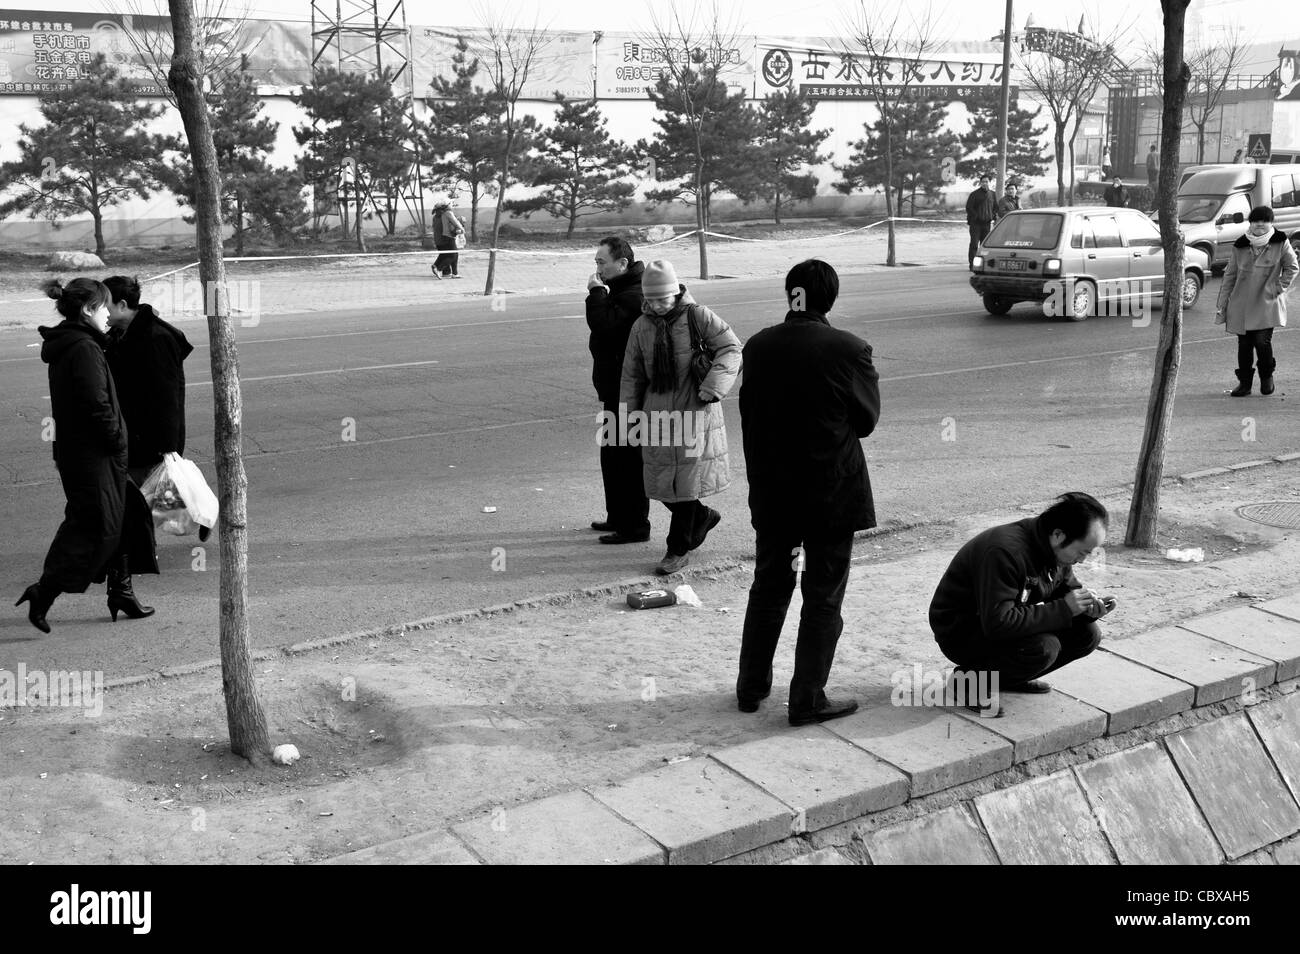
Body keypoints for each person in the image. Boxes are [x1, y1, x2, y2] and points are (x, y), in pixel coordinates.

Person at [736, 260, 881, 726]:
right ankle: (807, 698)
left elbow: (750, 417)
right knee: (822, 597)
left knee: (769, 588)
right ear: (830, 299)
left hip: (773, 492)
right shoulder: (850, 349)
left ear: (791, 295)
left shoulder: (758, 346)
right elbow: (866, 422)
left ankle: (751, 688)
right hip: (830, 495)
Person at [16, 279, 158, 634]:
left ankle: (121, 592)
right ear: (87, 310)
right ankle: (43, 592)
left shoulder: (78, 343)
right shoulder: (83, 348)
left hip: (89, 454)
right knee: (92, 528)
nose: (109, 314)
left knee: (126, 516)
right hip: (93, 456)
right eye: (102, 307)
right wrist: (115, 440)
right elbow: (96, 404)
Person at [929, 492, 1113, 717]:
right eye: (1082, 552)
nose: (1083, 560)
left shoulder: (1055, 552)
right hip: (961, 631)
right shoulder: (1005, 551)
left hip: (998, 624)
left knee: (1087, 634)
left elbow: (1067, 592)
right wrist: (1065, 608)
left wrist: (1088, 609)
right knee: (1044, 648)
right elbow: (998, 623)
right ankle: (967, 682)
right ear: (1058, 534)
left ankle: (1006, 677)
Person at [619, 260, 741, 576]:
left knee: (685, 483)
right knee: (660, 482)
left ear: (676, 293)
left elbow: (731, 348)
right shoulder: (641, 326)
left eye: (663, 299)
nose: (658, 306)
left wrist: (714, 386)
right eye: (652, 300)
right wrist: (626, 416)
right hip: (657, 412)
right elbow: (632, 375)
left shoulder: (697, 316)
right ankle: (702, 517)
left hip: (694, 409)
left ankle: (677, 549)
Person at [586, 237, 650, 544]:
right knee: (612, 456)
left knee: (627, 460)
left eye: (602, 262)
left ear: (621, 263)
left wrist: (596, 293)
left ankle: (635, 525)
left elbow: (604, 327)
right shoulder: (625, 289)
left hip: (629, 392)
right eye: (596, 262)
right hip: (615, 389)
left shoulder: (633, 294)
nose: (597, 268)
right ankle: (617, 516)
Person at [1216, 206, 1299, 397]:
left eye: (1264, 220)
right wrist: (1222, 303)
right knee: (1244, 345)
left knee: (1262, 342)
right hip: (1241, 304)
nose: (1260, 224)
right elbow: (1230, 275)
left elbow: (1292, 268)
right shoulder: (1241, 245)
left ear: (1271, 223)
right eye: (1255, 221)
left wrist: (1278, 288)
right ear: (1250, 224)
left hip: (1267, 302)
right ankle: (1244, 384)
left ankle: (1267, 377)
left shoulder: (1280, 242)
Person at [966, 175, 998, 271]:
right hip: (975, 224)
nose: (985, 183)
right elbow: (969, 208)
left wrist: (992, 216)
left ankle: (983, 265)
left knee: (984, 246)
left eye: (987, 181)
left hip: (987, 224)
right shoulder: (974, 194)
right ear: (980, 183)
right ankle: (972, 265)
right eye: (983, 181)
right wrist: (976, 216)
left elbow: (996, 207)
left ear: (990, 182)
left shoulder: (992, 194)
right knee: (974, 245)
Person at [431, 201, 464, 279]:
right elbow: (453, 224)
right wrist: (460, 228)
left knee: (445, 254)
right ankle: (439, 268)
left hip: (438, 239)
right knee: (453, 255)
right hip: (445, 238)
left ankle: (446, 271)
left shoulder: (435, 217)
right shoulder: (445, 215)